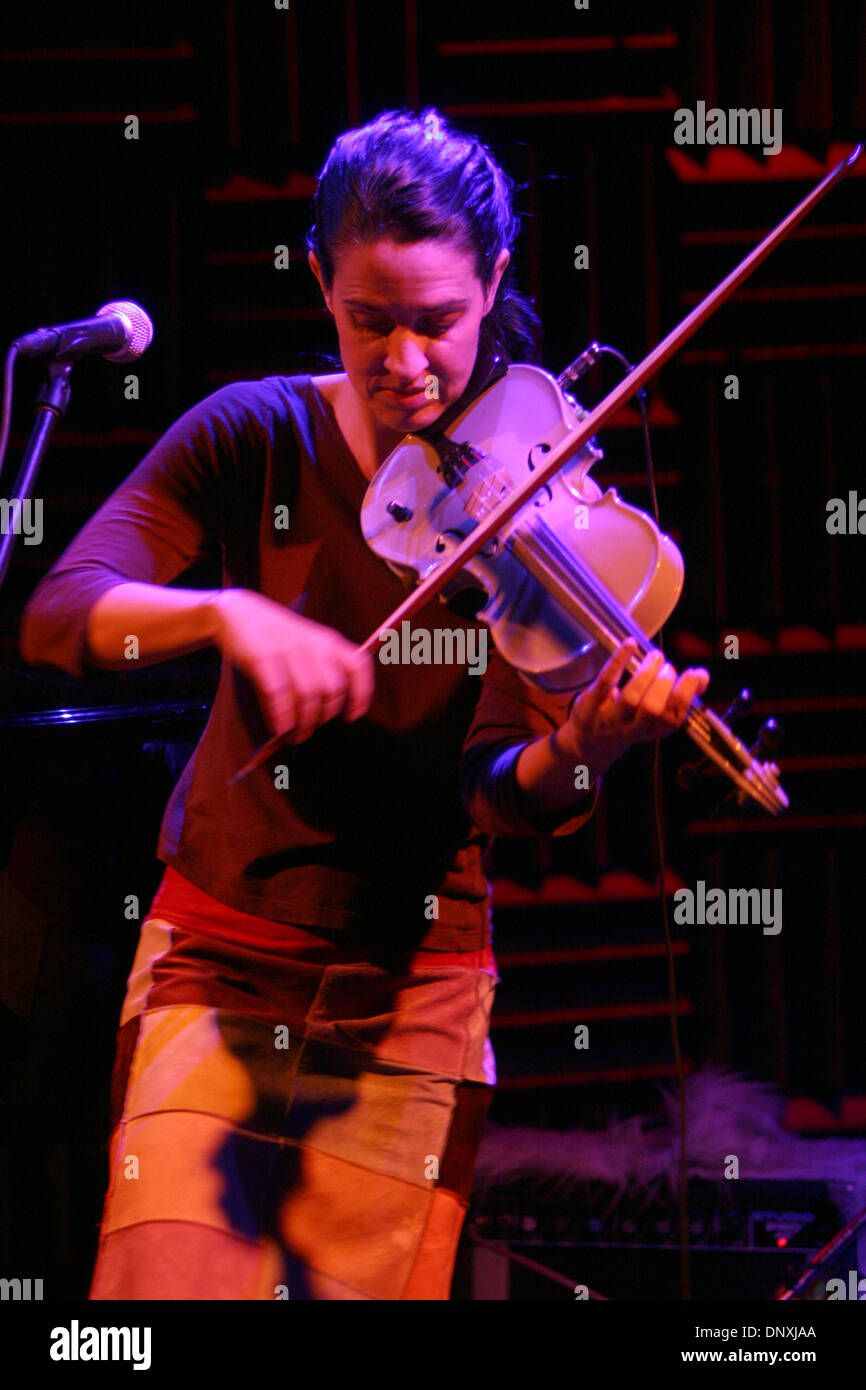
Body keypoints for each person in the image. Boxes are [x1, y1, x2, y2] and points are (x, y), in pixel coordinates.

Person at [19, 106, 709, 1300]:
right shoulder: (252, 432)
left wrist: (588, 748)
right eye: (367, 320)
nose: (404, 362)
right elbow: (62, 612)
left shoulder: (528, 506)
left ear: (493, 283)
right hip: (219, 956)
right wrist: (222, 613)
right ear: (321, 289)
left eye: (437, 320)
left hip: (416, 985)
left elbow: (504, 795)